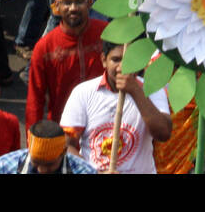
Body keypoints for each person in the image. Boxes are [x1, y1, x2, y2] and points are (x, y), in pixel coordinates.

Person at [61, 42, 172, 174]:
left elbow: (163, 133)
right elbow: (66, 145)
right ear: (103, 60)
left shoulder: (153, 90)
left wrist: (136, 91)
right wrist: (92, 172)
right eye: (116, 60)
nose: (122, 68)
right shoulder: (83, 93)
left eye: (130, 61)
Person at [26, 0, 106, 126]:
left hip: (105, 123)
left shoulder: (107, 34)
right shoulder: (44, 47)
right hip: (63, 129)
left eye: (79, 1)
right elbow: (35, 101)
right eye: (67, 3)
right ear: (57, 6)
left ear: (89, 3)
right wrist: (34, 144)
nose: (73, 8)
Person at [0, 120, 98, 174]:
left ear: (64, 151)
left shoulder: (84, 171)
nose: (42, 170)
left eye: (49, 164)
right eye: (36, 162)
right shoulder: (5, 167)